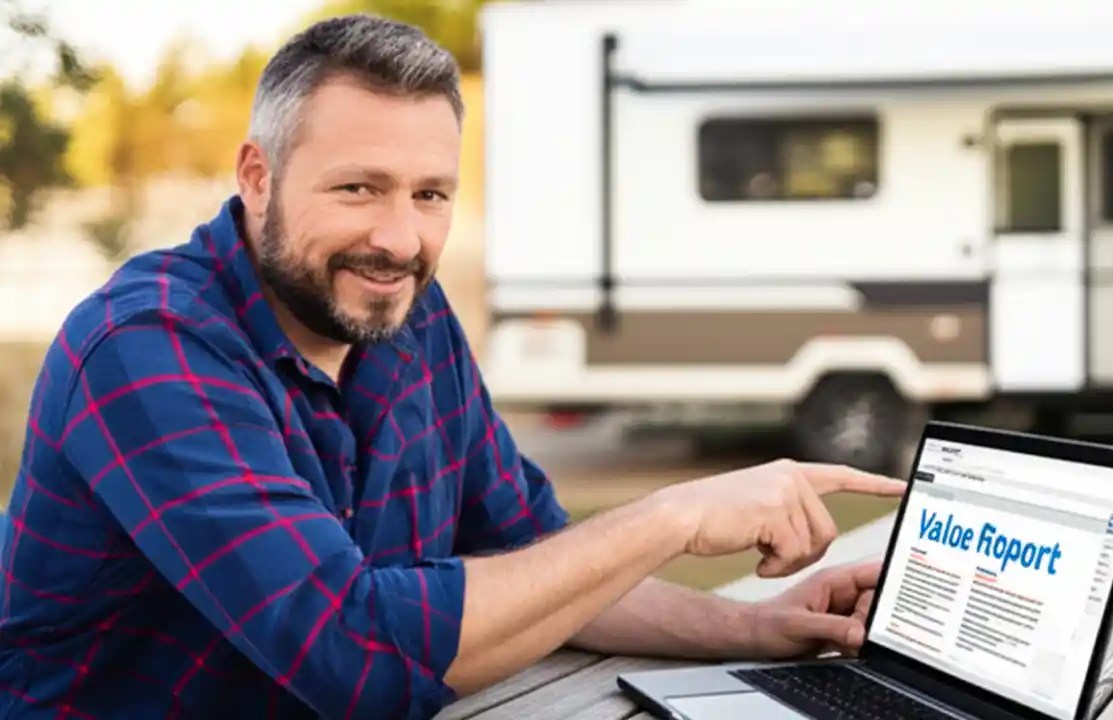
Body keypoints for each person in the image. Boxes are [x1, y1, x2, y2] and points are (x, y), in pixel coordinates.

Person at [0, 14, 905, 719]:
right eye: (358, 187)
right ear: (257, 176)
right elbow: (353, 659)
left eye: (430, 195)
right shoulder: (143, 348)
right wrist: (672, 516)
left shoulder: (411, 319)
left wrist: (754, 627)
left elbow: (541, 566)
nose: (398, 239)